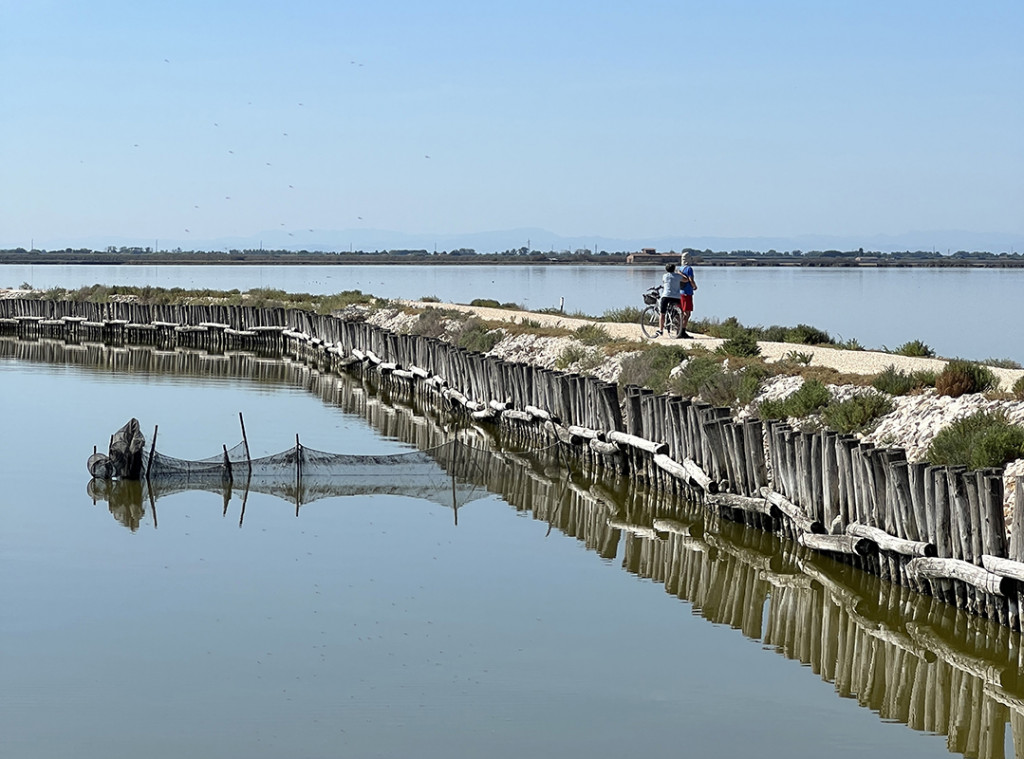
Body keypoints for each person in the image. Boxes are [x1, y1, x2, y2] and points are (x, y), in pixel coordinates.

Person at [656, 263, 683, 337]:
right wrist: (680, 273)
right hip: (677, 297)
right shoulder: (678, 276)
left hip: (666, 296)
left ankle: (661, 330)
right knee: (678, 314)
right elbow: (686, 280)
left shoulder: (664, 276)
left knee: (662, 313)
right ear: (674, 269)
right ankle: (679, 330)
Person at [679, 252, 697, 338]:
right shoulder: (689, 269)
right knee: (687, 313)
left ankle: (679, 330)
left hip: (681, 292)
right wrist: (694, 286)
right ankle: (682, 331)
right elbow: (691, 279)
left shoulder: (680, 268)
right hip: (687, 293)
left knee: (682, 313)